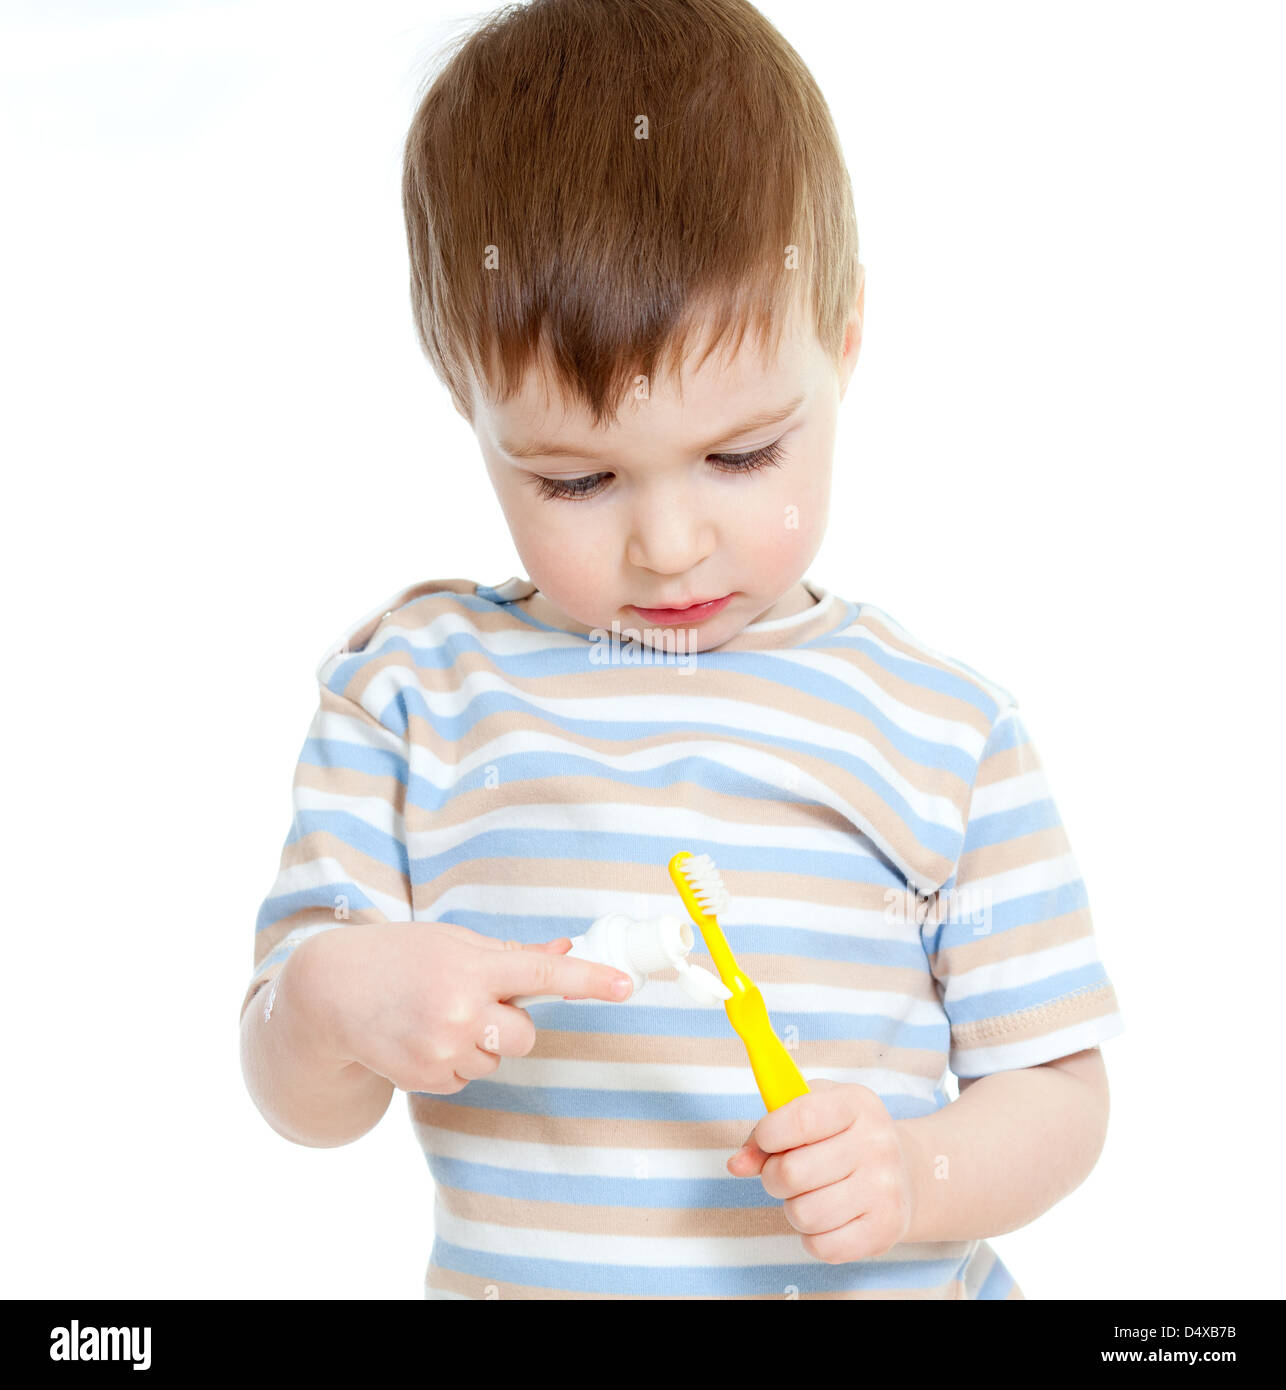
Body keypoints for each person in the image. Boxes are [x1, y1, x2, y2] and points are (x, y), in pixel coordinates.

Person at [240, 0, 1124, 1299]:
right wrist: (327, 1002)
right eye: (576, 478)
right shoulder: (411, 695)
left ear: (844, 342)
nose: (667, 543)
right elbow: (298, 1095)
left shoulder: (942, 729)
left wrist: (916, 1171)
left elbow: (1055, 1086)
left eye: (740, 454)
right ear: (463, 395)